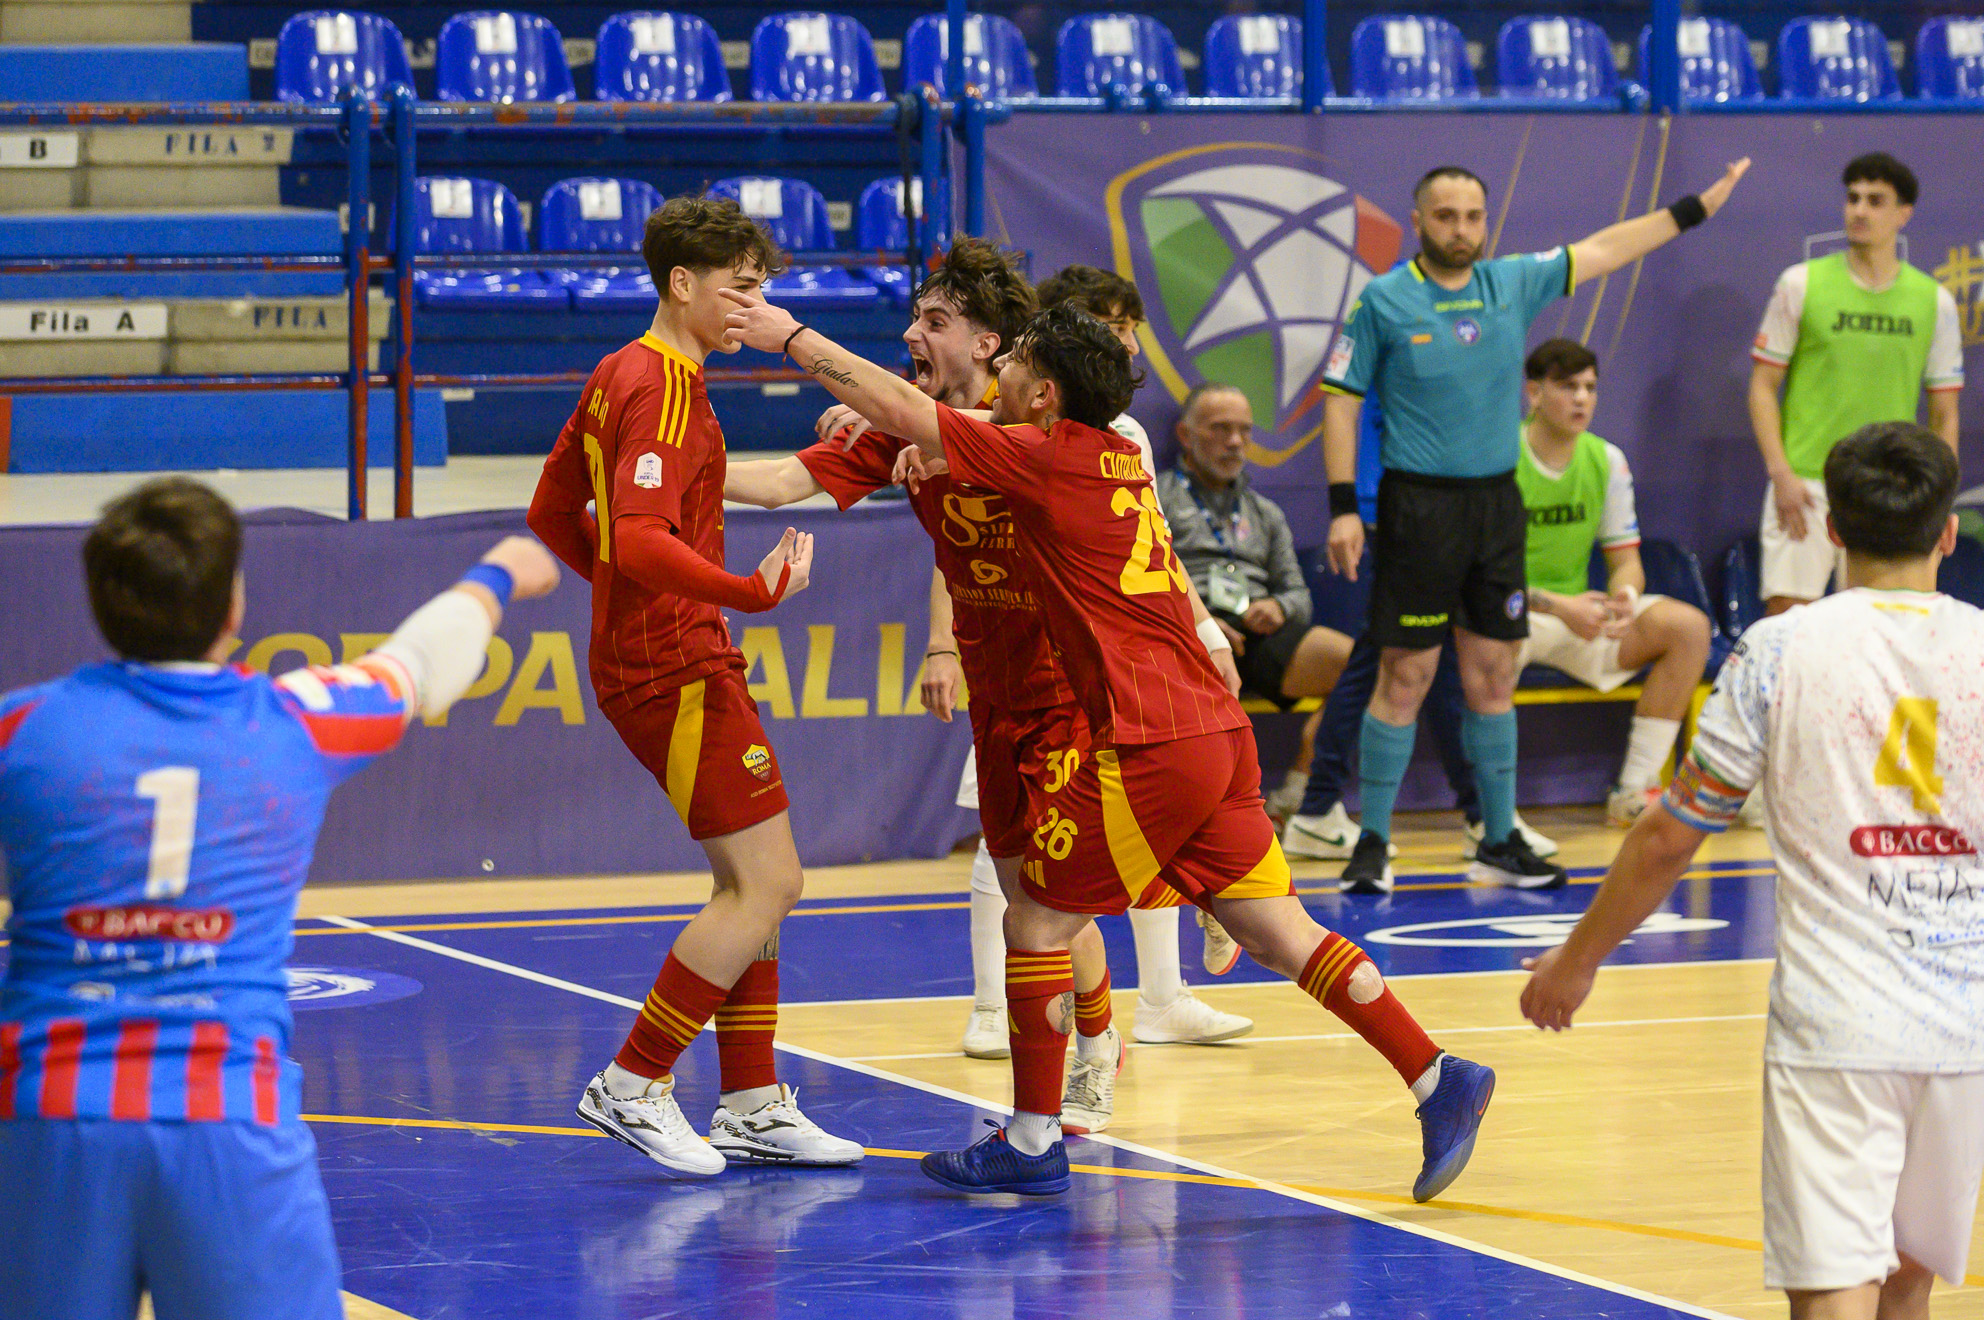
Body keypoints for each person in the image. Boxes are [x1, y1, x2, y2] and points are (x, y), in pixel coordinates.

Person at [723, 293, 1498, 1205]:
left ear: (1043, 393)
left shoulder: (1041, 457)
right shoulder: (1114, 451)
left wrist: (792, 340)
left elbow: (918, 417)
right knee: (1273, 928)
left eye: (1014, 364)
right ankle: (1436, 1075)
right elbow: (923, 422)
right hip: (1213, 725)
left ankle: (1035, 1135)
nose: (1000, 368)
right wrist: (881, 414)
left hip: (1148, 736)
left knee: (1039, 922)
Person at [0, 478, 559, 1320]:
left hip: (50, 1120)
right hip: (228, 1119)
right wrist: (497, 575)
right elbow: (418, 666)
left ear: (101, 601)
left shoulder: (23, 727)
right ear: (233, 603)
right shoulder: (298, 720)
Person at [727, 240, 1252, 1136]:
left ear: (991, 346)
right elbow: (782, 482)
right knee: (1028, 903)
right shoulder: (910, 427)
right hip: (997, 696)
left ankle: (1087, 1059)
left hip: (1074, 698)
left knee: (1050, 904)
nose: (911, 334)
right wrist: (652, 481)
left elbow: (1139, 546)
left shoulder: (1064, 437)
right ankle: (1106, 1027)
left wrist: (1204, 632)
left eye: (934, 322)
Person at [1522, 422, 1984, 1320]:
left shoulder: (1780, 650)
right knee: (1907, 1282)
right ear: (1947, 532)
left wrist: (1576, 961)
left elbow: (1669, 835)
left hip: (1836, 1027)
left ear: (1833, 531)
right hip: (1964, 1021)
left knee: (1836, 1289)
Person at [527, 194, 862, 1175]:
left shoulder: (621, 373)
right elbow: (636, 535)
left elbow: (556, 515)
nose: (753, 309)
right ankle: (634, 1080)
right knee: (771, 883)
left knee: (749, 886)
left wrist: (632, 598)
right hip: (674, 660)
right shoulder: (665, 386)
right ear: (683, 283)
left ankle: (752, 1100)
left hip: (660, 649)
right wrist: (741, 593)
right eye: (742, 290)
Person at [1322, 158, 1751, 895]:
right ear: (1419, 221)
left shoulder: (1512, 282)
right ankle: (1373, 841)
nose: (1461, 230)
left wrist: (1691, 210)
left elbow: (1610, 248)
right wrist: (1339, 507)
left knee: (1492, 677)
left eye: (1473, 216)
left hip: (1494, 508)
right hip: (1417, 508)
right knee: (1407, 675)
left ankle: (1496, 838)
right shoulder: (1383, 301)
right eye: (1446, 216)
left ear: (1487, 223)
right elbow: (1339, 400)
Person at [1281, 367, 1561, 866]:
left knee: (1434, 665)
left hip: (1430, 511)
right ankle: (1318, 805)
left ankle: (1480, 815)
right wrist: (1354, 508)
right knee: (1383, 661)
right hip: (1401, 513)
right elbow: (1346, 406)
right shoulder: (1394, 321)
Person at [1749, 153, 1964, 615]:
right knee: (1788, 625)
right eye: (1853, 199)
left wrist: (1936, 497)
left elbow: (1945, 413)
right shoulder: (1800, 283)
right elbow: (1763, 386)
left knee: (1885, 627)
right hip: (1806, 484)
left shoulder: (1935, 301)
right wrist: (1781, 473)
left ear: (1903, 214)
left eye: (1875, 200)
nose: (1860, 211)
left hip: (1890, 487)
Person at [1515, 339, 1712, 826]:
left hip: (1578, 620)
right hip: (1510, 614)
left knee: (1687, 627)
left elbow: (1626, 561)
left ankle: (1634, 789)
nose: (1581, 399)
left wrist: (1624, 597)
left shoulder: (1608, 461)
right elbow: (1478, 575)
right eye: (1567, 387)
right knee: (1490, 639)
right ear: (1533, 394)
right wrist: (1559, 607)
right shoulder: (1499, 456)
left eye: (1590, 388)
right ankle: (1491, 814)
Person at [1156, 382, 1353, 714]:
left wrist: (1279, 607)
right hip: (1187, 635)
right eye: (1220, 428)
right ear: (1186, 435)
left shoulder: (1265, 512)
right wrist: (1196, 623)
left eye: (1244, 430)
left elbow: (1298, 596)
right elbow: (1139, 585)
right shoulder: (1154, 498)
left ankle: (1306, 764)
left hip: (1257, 635)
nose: (1235, 442)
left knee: (1362, 665)